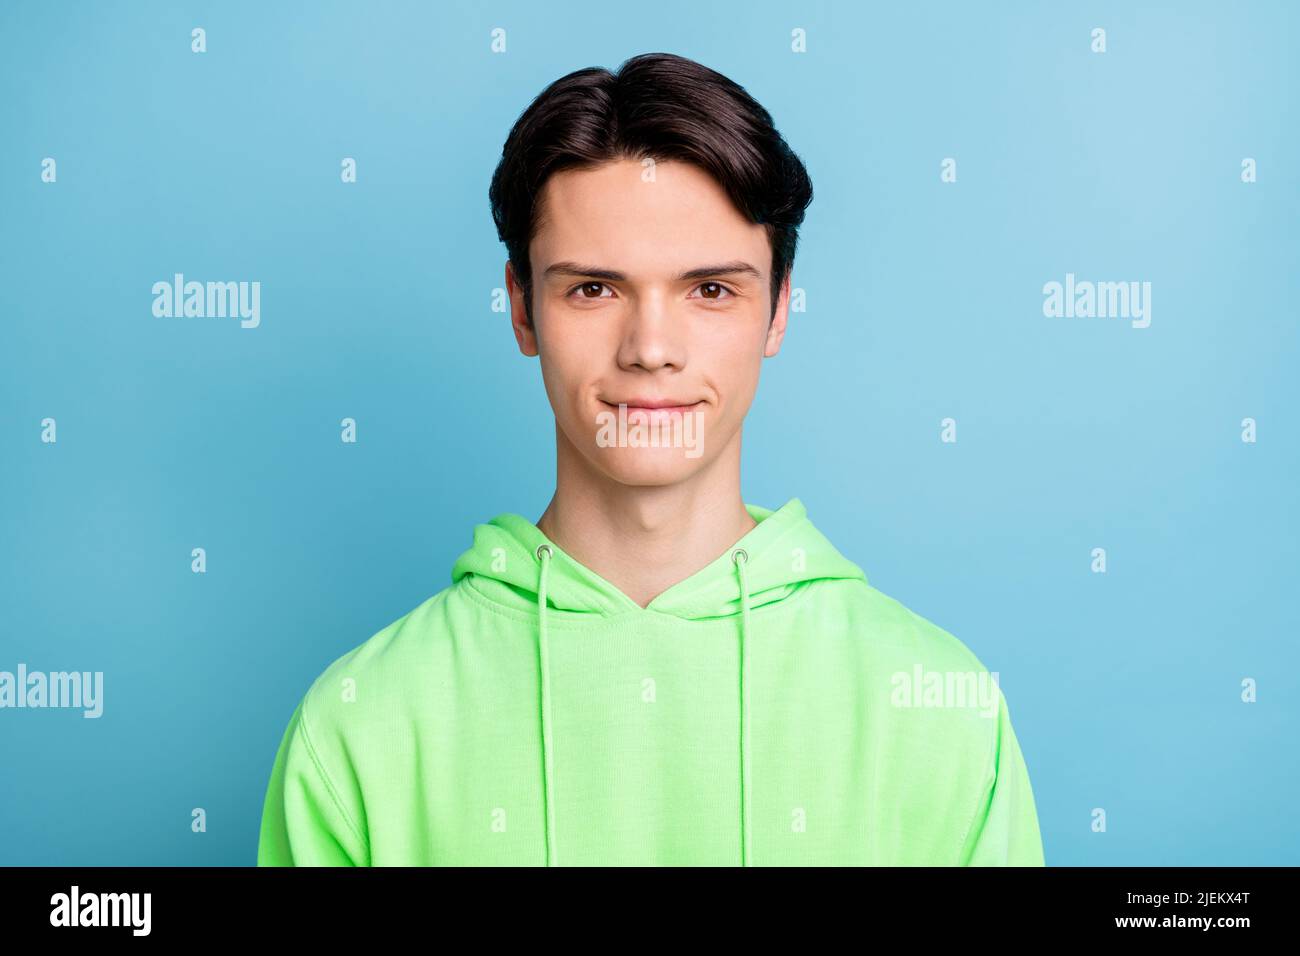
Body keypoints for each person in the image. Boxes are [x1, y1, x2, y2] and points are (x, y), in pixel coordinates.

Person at [257, 52, 1045, 866]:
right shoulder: (357, 722)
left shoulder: (942, 707)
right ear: (522, 308)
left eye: (711, 290)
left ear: (778, 311)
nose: (652, 350)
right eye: (593, 289)